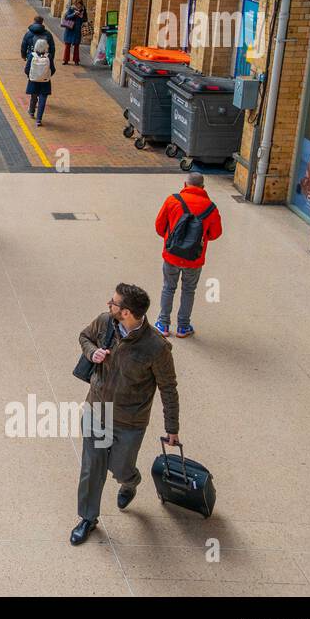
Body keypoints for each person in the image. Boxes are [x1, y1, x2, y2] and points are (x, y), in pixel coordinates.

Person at [71, 284, 179, 546]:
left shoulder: (157, 348)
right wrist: (91, 352)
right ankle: (88, 518)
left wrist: (172, 426)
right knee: (91, 468)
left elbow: (168, 387)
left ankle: (130, 482)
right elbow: (84, 336)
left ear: (127, 313)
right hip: (97, 410)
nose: (109, 304)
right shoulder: (105, 321)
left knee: (120, 468)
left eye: (114, 303)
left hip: (130, 422)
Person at [154, 171, 223, 338]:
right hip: (194, 259)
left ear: (185, 185)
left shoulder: (172, 200)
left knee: (168, 287)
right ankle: (183, 327)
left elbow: (159, 226)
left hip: (171, 255)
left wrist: (171, 239)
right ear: (203, 187)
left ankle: (163, 324)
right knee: (189, 290)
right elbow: (215, 233)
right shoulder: (211, 207)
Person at [24, 38, 55, 126]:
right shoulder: (48, 56)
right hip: (45, 82)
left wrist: (30, 76)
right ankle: (39, 120)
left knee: (33, 97)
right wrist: (46, 75)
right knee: (43, 100)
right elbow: (52, 69)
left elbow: (26, 69)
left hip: (33, 80)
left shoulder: (32, 55)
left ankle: (31, 111)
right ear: (46, 47)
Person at [61, 0, 87, 65]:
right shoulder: (71, 8)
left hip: (77, 30)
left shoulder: (83, 10)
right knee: (67, 45)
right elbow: (67, 17)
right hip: (70, 28)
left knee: (76, 45)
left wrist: (82, 17)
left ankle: (76, 60)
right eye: (78, 4)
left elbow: (85, 19)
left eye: (80, 4)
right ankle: (65, 60)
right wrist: (74, 14)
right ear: (75, 3)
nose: (79, 6)